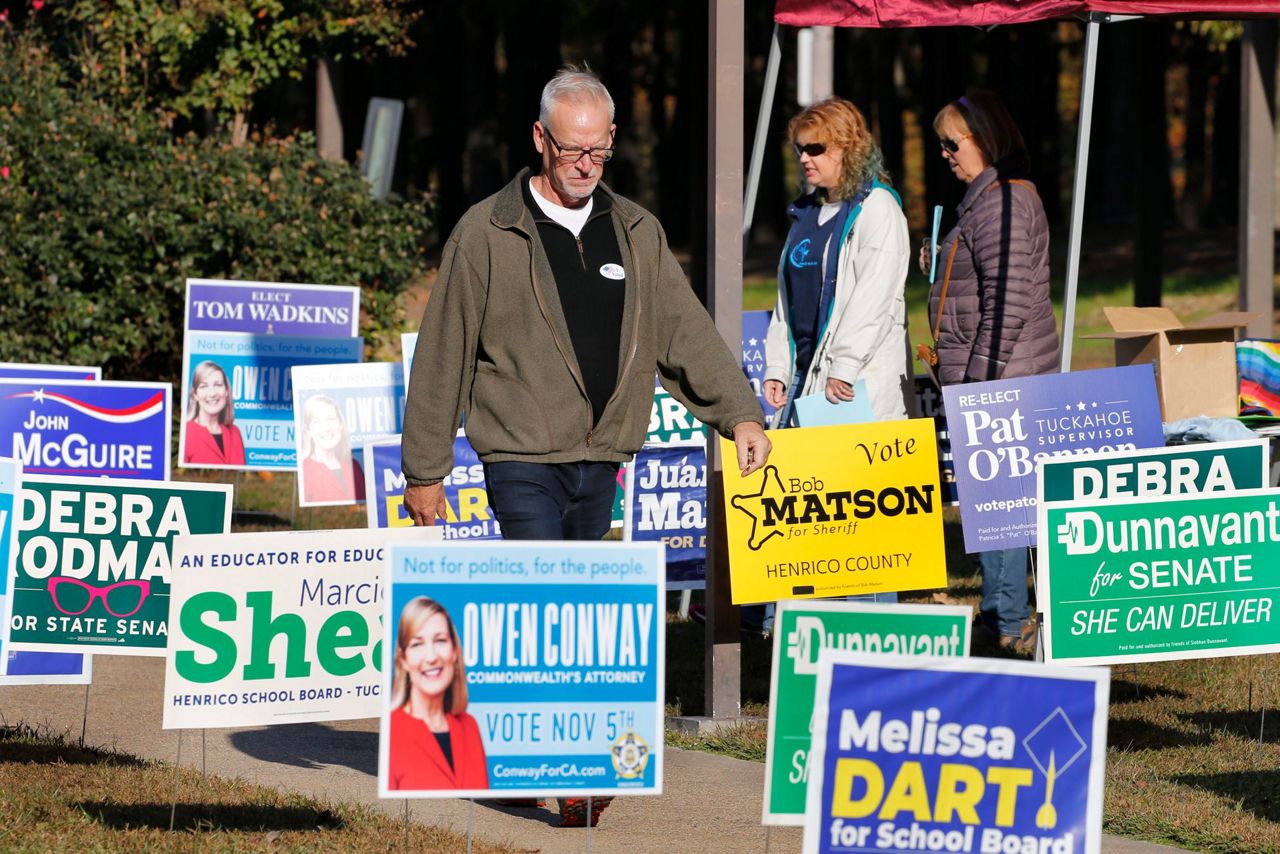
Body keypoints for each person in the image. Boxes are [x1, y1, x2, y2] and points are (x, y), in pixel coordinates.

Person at [400, 65, 770, 827]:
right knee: (547, 593)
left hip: (602, 454)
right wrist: (424, 469)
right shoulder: (487, 231)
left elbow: (683, 331)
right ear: (540, 138)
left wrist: (738, 412)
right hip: (519, 454)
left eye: (599, 154)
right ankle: (568, 773)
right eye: (572, 150)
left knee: (582, 615)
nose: (585, 167)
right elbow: (443, 352)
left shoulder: (635, 230)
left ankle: (539, 752)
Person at [920, 89, 1059, 652]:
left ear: (986, 139)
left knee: (1001, 503)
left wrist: (978, 382)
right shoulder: (986, 203)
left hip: (1002, 380)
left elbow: (1009, 300)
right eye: (941, 145)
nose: (946, 155)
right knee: (996, 502)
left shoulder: (1002, 202)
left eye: (953, 143)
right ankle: (1004, 611)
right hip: (997, 373)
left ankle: (1008, 621)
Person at [763, 97, 911, 427]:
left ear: (847, 148)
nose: (804, 158)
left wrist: (844, 368)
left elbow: (875, 300)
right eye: (800, 149)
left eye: (816, 149)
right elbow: (786, 304)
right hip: (804, 377)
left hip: (851, 384)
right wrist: (779, 370)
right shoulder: (805, 213)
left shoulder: (878, 208)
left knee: (849, 480)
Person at [387, 596, 488, 790]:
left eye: (440, 641)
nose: (432, 657)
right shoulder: (396, 731)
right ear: (402, 658)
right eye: (417, 644)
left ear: (455, 651)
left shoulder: (469, 726)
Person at [298, 394, 366, 503]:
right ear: (308, 430)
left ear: (340, 424)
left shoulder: (354, 466)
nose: (326, 427)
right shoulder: (305, 470)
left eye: (331, 418)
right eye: (317, 421)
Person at [182, 361, 247, 466]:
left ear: (226, 391)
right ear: (195, 394)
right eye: (204, 386)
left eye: (218, 385)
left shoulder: (235, 433)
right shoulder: (186, 433)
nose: (212, 393)